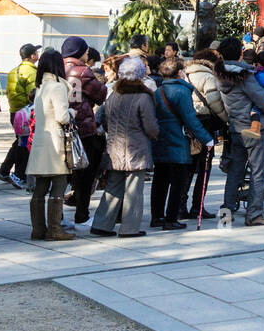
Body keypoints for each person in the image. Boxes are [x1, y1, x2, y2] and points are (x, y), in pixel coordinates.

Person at [89, 56, 159, 237]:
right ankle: (130, 228)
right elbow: (151, 126)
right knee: (134, 190)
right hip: (137, 149)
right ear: (140, 76)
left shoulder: (114, 95)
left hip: (114, 148)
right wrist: (156, 135)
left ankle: (101, 224)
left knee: (113, 186)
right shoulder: (143, 97)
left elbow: (104, 119)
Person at [216, 37, 264, 226]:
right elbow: (260, 98)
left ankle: (227, 211)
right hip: (253, 127)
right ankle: (254, 214)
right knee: (259, 171)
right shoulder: (244, 75)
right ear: (240, 53)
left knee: (235, 170)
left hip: (235, 126)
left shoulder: (219, 74)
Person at [151, 57, 214, 231]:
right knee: (178, 180)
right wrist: (206, 138)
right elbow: (190, 119)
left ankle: (156, 216)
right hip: (177, 140)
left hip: (160, 140)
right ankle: (171, 218)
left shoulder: (158, 91)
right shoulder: (182, 91)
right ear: (179, 72)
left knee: (160, 179)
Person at [26, 48, 75, 241]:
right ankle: (55, 229)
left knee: (40, 186)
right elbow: (63, 117)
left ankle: (38, 229)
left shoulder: (40, 87)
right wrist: (73, 114)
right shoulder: (57, 86)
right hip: (56, 142)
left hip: (40, 141)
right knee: (59, 184)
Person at [61, 36, 109, 227]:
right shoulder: (81, 71)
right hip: (82, 127)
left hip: (60, 125)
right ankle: (82, 214)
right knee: (85, 173)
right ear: (78, 51)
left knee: (62, 175)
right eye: (86, 50)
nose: (87, 54)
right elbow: (101, 94)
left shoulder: (58, 67)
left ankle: (57, 215)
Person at [184, 47, 227, 219]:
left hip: (188, 123)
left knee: (188, 167)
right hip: (205, 124)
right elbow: (214, 101)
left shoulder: (186, 73)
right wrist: (226, 119)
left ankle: (180, 205)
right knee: (204, 168)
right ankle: (197, 206)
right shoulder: (209, 76)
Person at [0, 43, 39, 188]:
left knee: (19, 142)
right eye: (36, 52)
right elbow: (33, 95)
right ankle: (18, 175)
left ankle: (4, 171)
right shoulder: (32, 72)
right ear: (32, 56)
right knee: (24, 145)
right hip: (27, 115)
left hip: (15, 113)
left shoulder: (13, 71)